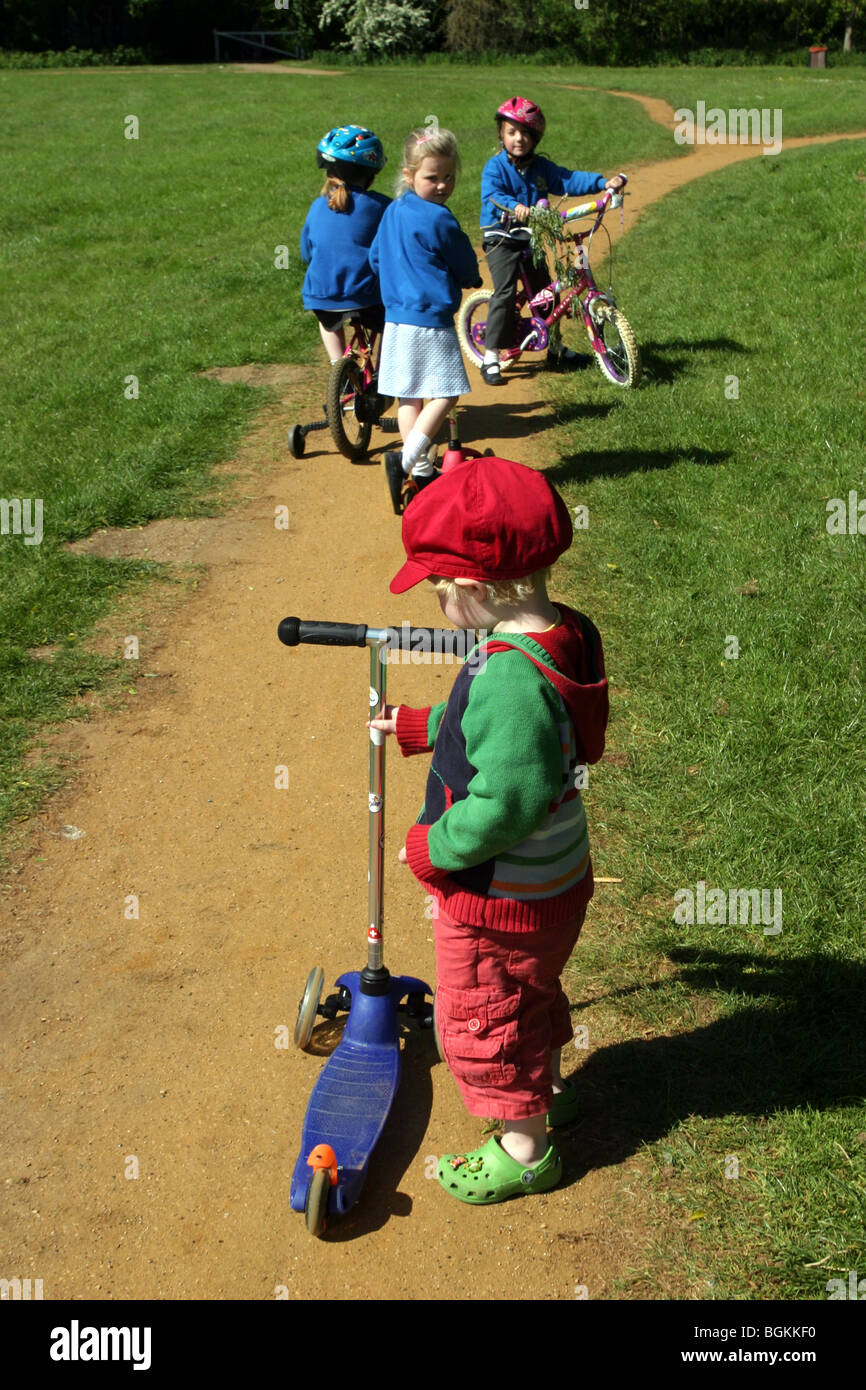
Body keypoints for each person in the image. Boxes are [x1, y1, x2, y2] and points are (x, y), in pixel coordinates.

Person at [369, 458, 609, 1204]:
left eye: (439, 585)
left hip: (500, 896)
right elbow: (513, 741)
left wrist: (432, 849)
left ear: (473, 587)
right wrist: (425, 726)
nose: (437, 600)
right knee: (526, 992)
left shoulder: (507, 673)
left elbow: (504, 801)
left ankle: (525, 1150)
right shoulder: (560, 632)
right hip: (554, 881)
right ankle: (544, 1091)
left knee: (484, 1012)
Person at [368, 127, 482, 515]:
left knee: (408, 396)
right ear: (409, 175)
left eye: (449, 177)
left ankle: (422, 474)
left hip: (397, 321)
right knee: (448, 393)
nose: (442, 185)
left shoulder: (392, 211)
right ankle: (404, 463)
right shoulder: (439, 219)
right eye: (432, 177)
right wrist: (471, 278)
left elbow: (375, 259)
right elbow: (464, 261)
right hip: (431, 320)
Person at [479, 95, 626, 385]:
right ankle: (491, 356)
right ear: (501, 134)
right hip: (502, 236)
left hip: (529, 237)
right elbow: (492, 195)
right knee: (505, 292)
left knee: (546, 291)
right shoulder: (494, 168)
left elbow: (568, 179)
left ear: (535, 138)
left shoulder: (541, 169)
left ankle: (556, 347)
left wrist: (602, 183)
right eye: (511, 133)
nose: (518, 139)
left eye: (525, 134)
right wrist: (514, 206)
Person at [300, 125, 390, 366]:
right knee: (393, 322)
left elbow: (306, 252)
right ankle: (384, 374)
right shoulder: (382, 206)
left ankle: (337, 366)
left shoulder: (318, 206)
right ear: (370, 173)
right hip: (367, 295)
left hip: (321, 294)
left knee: (327, 321)